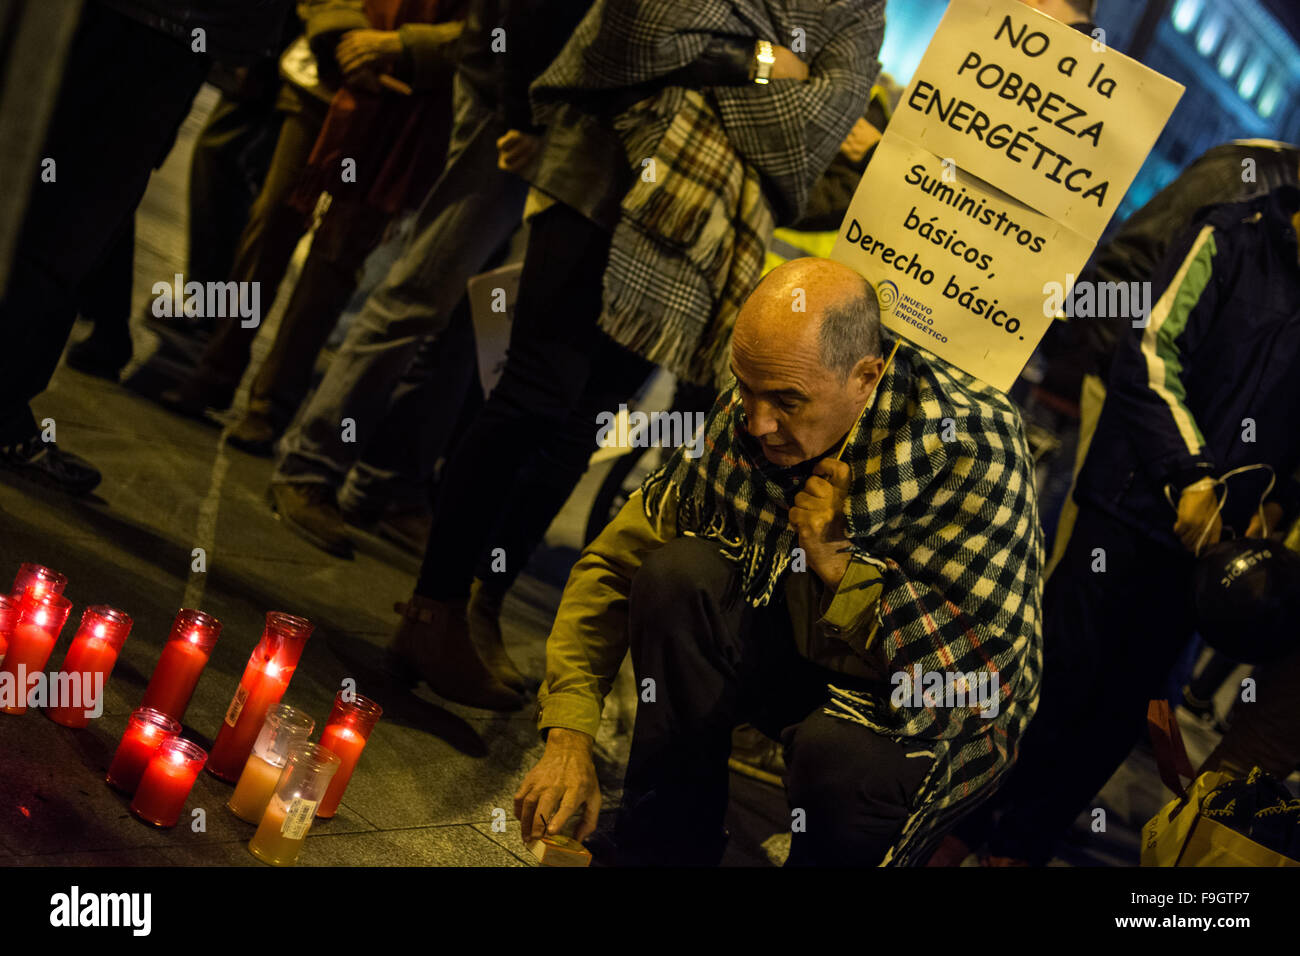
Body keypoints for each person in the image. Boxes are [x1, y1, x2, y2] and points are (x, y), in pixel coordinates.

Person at [384, 0, 886, 713]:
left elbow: (814, 132)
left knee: (581, 426)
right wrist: (764, 63)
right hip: (600, 169)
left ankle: (482, 603)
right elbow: (635, 32)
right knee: (532, 397)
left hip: (695, 240)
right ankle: (432, 610)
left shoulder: (861, 9)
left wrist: (697, 64)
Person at [513, 257, 1044, 866]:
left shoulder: (973, 443)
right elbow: (615, 562)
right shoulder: (749, 408)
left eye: (788, 401)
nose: (758, 422)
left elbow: (979, 684)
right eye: (745, 386)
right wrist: (569, 738)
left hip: (914, 703)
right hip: (794, 651)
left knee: (834, 757)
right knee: (679, 576)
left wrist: (841, 566)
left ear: (866, 378)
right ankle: (664, 840)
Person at [971, 185, 1300, 866]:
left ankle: (1021, 844)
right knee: (1058, 670)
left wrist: (1280, 498)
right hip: (1132, 503)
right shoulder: (1231, 235)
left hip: (1213, 546)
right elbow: (1149, 351)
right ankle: (962, 822)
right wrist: (1190, 475)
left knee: (1122, 708)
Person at [0, 0, 290, 495]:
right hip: (152, 28)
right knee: (71, 222)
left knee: (69, 215)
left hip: (160, 30)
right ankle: (5, 407)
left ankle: (10, 400)